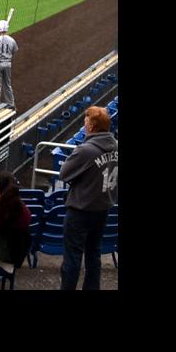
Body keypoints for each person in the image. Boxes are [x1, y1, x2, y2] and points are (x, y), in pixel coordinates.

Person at [57, 106, 119, 291]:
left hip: (80, 210)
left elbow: (64, 174)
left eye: (85, 122)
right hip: (102, 208)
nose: (83, 125)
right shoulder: (116, 147)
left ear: (92, 126)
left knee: (72, 258)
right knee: (94, 254)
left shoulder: (85, 150)